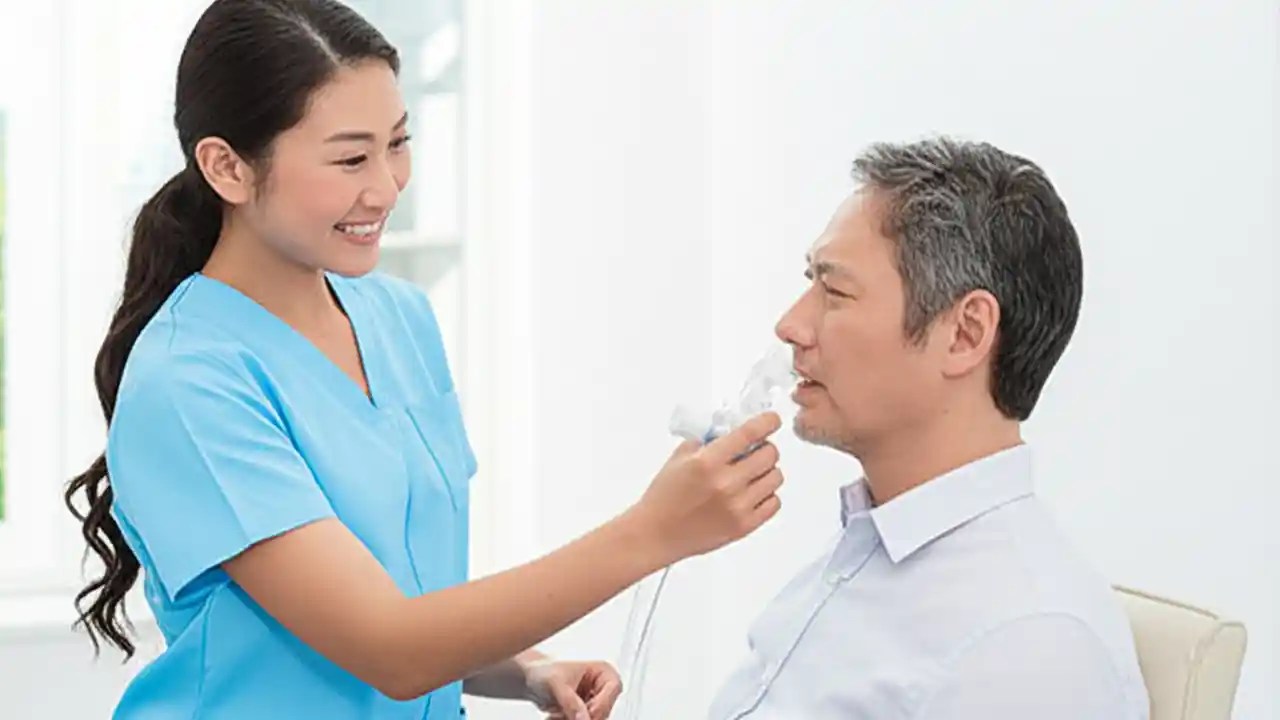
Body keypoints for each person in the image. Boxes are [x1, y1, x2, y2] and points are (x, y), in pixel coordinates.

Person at [61, 2, 784, 718]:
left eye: (397, 143)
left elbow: (402, 596)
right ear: (226, 168)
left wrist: (529, 671)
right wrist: (653, 532)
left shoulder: (398, 318)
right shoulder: (190, 380)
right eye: (350, 158)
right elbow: (391, 648)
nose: (386, 187)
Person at [708, 137, 1150, 719]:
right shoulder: (861, 558)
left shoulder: (1028, 647)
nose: (791, 325)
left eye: (834, 292)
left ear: (965, 334)